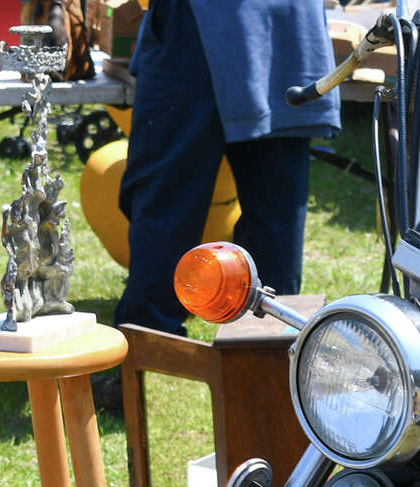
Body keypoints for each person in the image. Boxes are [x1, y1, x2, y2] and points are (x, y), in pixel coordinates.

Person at [113, 0, 337, 337]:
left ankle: (151, 347)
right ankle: (271, 362)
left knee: (168, 204)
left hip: (207, 23)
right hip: (283, 24)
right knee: (272, 217)